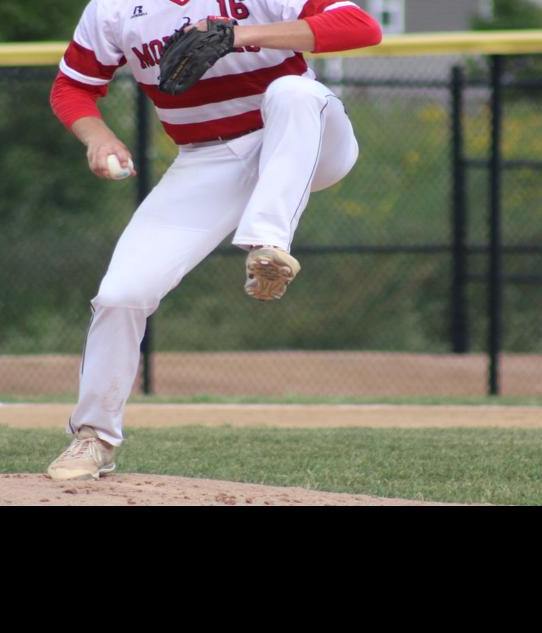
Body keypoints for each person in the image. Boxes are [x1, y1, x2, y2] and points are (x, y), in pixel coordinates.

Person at [45, 0, 383, 481]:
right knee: (123, 294)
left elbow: (362, 27)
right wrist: (96, 137)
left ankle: (268, 244)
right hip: (208, 159)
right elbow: (73, 86)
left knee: (292, 92)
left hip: (305, 134)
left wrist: (238, 35)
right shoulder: (112, 9)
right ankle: (93, 437)